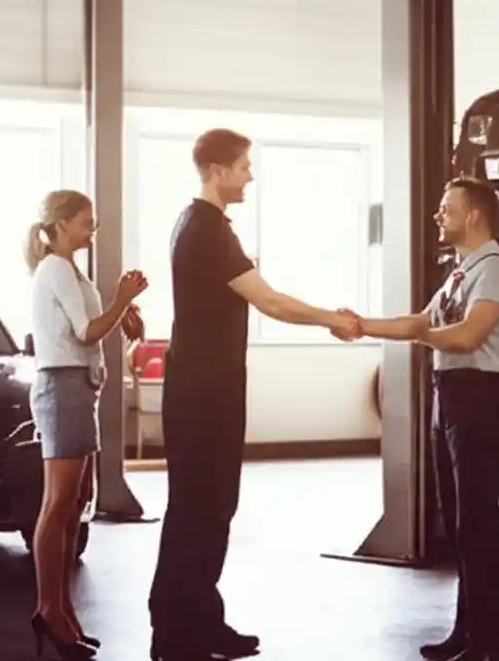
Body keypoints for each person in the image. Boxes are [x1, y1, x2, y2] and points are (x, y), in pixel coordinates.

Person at [147, 128, 362, 661]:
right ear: (217, 171)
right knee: (201, 508)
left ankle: (200, 620)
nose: (250, 176)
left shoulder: (203, 224)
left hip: (205, 385)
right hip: (204, 392)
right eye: (243, 167)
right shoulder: (206, 230)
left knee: (211, 506)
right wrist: (331, 319)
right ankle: (175, 635)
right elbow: (269, 301)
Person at [337, 176, 499, 661]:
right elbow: (418, 322)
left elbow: (466, 337)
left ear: (475, 215)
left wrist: (423, 336)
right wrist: (362, 326)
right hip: (450, 397)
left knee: (480, 522)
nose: (438, 216)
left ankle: (490, 644)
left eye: (447, 208)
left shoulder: (498, 272)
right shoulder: (461, 273)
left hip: (480, 397)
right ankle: (467, 634)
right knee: (461, 524)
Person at [25, 189, 148, 661]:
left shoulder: (70, 270)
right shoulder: (55, 268)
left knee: (73, 502)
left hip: (78, 389)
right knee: (58, 505)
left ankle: (61, 611)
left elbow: (93, 324)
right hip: (63, 388)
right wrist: (122, 298)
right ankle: (50, 612)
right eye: (84, 222)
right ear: (60, 224)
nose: (91, 229)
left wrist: (124, 312)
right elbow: (86, 332)